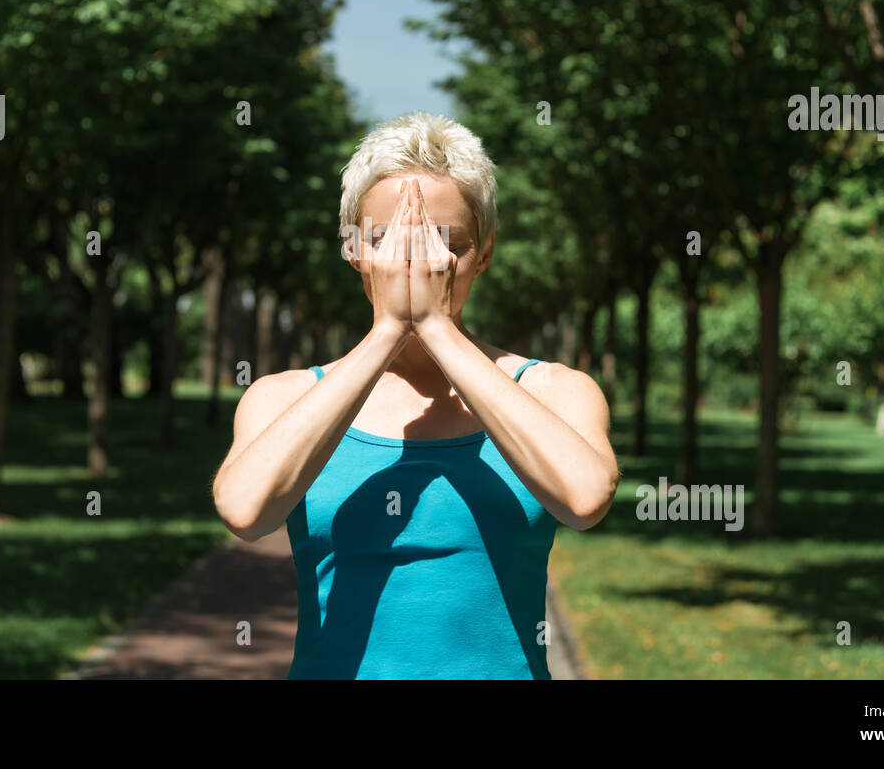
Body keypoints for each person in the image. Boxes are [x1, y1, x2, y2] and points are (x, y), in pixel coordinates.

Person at [212, 111, 619, 678]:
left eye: (443, 244)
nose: (416, 265)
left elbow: (584, 500)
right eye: (388, 243)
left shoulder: (553, 391)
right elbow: (245, 511)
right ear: (353, 251)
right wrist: (385, 334)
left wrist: (438, 329)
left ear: (486, 251)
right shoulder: (282, 397)